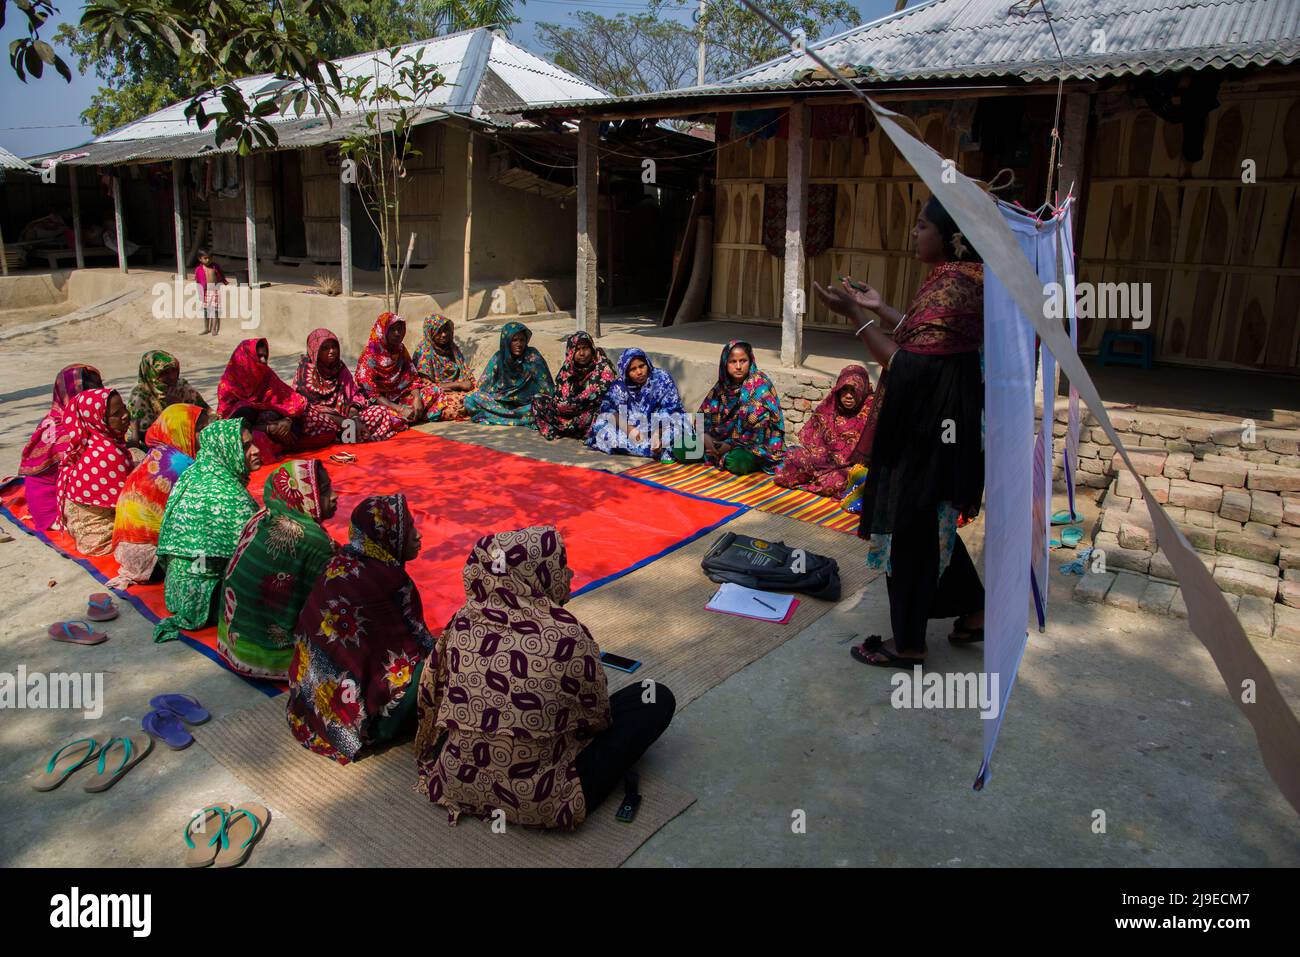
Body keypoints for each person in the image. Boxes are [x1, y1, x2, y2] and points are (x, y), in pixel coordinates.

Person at [813, 196, 986, 668]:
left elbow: (909, 366)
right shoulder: (959, 280)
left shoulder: (952, 286)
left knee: (910, 530)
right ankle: (974, 611)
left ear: (951, 237)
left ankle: (909, 644)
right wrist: (883, 308)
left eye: (921, 225)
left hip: (927, 431)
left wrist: (856, 316)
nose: (914, 233)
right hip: (944, 424)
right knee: (933, 523)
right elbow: (928, 339)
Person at [414, 526, 675, 830]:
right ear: (535, 574)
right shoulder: (567, 636)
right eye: (560, 566)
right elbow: (597, 720)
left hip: (456, 781)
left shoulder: (460, 623)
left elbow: (432, 697)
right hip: (543, 801)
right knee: (654, 696)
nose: (569, 573)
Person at [286, 494, 433, 764]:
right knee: (439, 667)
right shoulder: (391, 581)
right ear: (389, 537)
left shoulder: (339, 562)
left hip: (308, 706)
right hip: (353, 727)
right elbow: (419, 647)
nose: (418, 535)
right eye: (409, 528)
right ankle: (377, 728)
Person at [218, 460, 339, 680]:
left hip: (229, 642)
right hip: (267, 656)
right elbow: (336, 594)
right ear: (303, 496)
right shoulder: (311, 539)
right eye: (322, 491)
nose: (334, 496)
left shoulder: (263, 516)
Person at [153, 419, 262, 642]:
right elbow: (256, 556)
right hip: (207, 597)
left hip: (177, 590)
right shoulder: (232, 497)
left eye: (252, 443)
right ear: (225, 451)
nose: (256, 450)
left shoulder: (194, 474)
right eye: (245, 447)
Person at [109, 403, 208, 586]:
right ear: (181, 432)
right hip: (152, 561)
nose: (205, 434)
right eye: (199, 430)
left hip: (125, 551)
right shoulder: (183, 464)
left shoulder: (160, 453)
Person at [683, 339, 785, 474]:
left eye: (743, 361)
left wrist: (730, 445)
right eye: (732, 362)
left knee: (736, 462)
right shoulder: (722, 386)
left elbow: (758, 432)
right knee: (682, 448)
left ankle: (731, 458)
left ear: (751, 361)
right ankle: (714, 453)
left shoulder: (759, 385)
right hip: (717, 440)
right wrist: (705, 437)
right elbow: (703, 415)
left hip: (754, 446)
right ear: (725, 363)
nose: (738, 366)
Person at [19, 364, 102, 530]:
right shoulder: (69, 433)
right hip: (52, 510)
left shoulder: (54, 417)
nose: (98, 394)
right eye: (89, 390)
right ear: (70, 394)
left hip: (47, 499)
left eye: (99, 387)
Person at [773, 364, 874, 498]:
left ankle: (818, 480)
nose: (848, 396)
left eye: (854, 390)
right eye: (844, 390)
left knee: (837, 481)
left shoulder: (871, 411)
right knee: (793, 460)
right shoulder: (831, 405)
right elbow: (813, 440)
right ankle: (816, 477)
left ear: (862, 390)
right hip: (823, 458)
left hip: (850, 466)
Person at [293, 328, 405, 445]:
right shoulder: (305, 371)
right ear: (315, 350)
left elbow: (354, 395)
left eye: (334, 347)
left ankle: (344, 434)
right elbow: (305, 405)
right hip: (322, 419)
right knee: (309, 418)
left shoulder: (340, 367)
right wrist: (342, 421)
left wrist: (354, 417)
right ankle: (345, 433)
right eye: (325, 348)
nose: (332, 351)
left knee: (380, 411)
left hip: (346, 416)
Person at [56, 387, 134, 556]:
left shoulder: (88, 439)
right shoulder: (109, 453)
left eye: (124, 408)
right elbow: (132, 504)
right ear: (99, 419)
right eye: (116, 414)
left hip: (79, 528)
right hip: (99, 539)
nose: (125, 415)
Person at [586, 347, 688, 460]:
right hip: (633, 430)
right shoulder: (620, 386)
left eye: (641, 366)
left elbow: (672, 410)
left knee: (679, 428)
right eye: (633, 369)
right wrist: (629, 429)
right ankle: (658, 450)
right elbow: (608, 411)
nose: (639, 372)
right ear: (625, 371)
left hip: (660, 427)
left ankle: (654, 447)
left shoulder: (662, 379)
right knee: (602, 430)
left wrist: (657, 433)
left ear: (647, 364)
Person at [217, 337, 307, 452]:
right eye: (259, 356)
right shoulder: (228, 385)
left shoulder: (267, 374)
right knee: (243, 412)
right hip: (250, 431)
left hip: (273, 424)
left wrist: (287, 420)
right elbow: (228, 425)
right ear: (245, 359)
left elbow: (289, 400)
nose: (264, 361)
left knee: (296, 423)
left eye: (265, 356)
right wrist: (269, 428)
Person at [353, 312, 441, 425]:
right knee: (382, 414)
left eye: (400, 329)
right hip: (380, 402)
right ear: (382, 331)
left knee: (433, 391)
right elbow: (370, 393)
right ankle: (408, 415)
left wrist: (417, 398)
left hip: (399, 396)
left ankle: (413, 413)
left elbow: (412, 378)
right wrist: (400, 409)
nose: (397, 333)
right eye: (392, 330)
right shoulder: (369, 355)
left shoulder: (400, 350)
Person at [463, 321, 554, 427]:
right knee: (471, 398)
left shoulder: (532, 356)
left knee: (544, 404)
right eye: (514, 340)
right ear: (506, 341)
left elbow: (547, 386)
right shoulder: (498, 357)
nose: (519, 344)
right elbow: (483, 385)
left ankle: (501, 417)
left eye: (522, 340)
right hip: (502, 402)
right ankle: (516, 417)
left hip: (526, 404)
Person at [534, 331, 616, 440]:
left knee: (602, 413)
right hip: (567, 413)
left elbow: (597, 396)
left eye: (585, 348)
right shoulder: (568, 368)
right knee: (538, 400)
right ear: (571, 351)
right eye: (577, 349)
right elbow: (559, 396)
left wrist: (570, 404)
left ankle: (579, 431)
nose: (582, 353)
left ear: (591, 349)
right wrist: (565, 405)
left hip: (588, 413)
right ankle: (563, 429)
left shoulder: (602, 367)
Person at [125, 350, 209, 447]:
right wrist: (173, 410)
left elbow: (206, 413)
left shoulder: (181, 386)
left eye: (173, 370)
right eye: (164, 373)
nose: (172, 376)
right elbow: (146, 436)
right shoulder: (140, 396)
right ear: (151, 374)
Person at [412, 315, 476, 422]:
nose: (444, 335)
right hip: (437, 395)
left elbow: (465, 372)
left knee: (479, 395)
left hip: (458, 391)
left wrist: (468, 383)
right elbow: (426, 387)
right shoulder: (425, 352)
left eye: (446, 331)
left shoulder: (452, 348)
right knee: (454, 408)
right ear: (431, 332)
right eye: (439, 332)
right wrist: (458, 385)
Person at [195, 249, 227, 336]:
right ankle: (206, 328)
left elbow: (220, 275)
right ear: (200, 259)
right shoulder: (199, 269)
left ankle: (213, 329)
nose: (208, 260)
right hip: (205, 291)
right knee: (206, 311)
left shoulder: (215, 267)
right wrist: (200, 293)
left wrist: (224, 282)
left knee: (214, 310)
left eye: (210, 258)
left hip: (214, 290)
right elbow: (198, 281)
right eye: (205, 258)